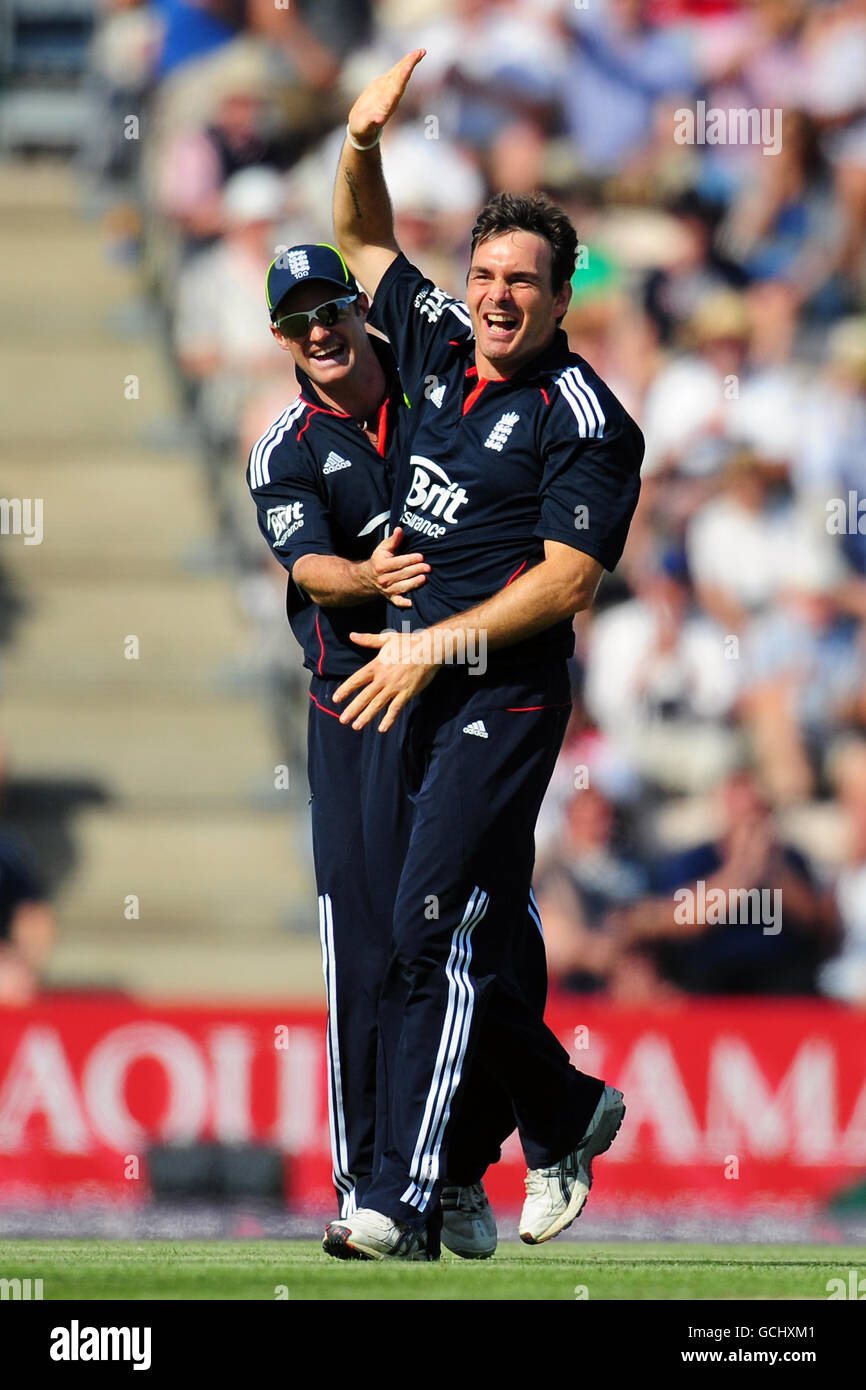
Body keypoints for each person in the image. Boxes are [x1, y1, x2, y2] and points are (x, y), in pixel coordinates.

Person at [323, 50, 644, 1260]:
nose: (499, 295)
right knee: (481, 936)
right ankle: (556, 1110)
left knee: (421, 927)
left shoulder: (587, 418)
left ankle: (404, 1196)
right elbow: (359, 249)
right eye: (487, 272)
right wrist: (360, 144)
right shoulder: (437, 341)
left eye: (525, 281)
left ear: (564, 299)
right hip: (409, 686)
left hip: (497, 700)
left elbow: (565, 584)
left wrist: (431, 645)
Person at [246, 241, 547, 1260]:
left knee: (498, 934)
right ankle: (375, 1187)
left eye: (330, 307)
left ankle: (465, 1162)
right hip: (357, 710)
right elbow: (314, 566)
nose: (319, 332)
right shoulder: (286, 444)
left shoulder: (435, 381)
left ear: (352, 306)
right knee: (372, 946)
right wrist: (368, 578)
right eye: (296, 322)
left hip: (463, 694)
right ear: (281, 337)